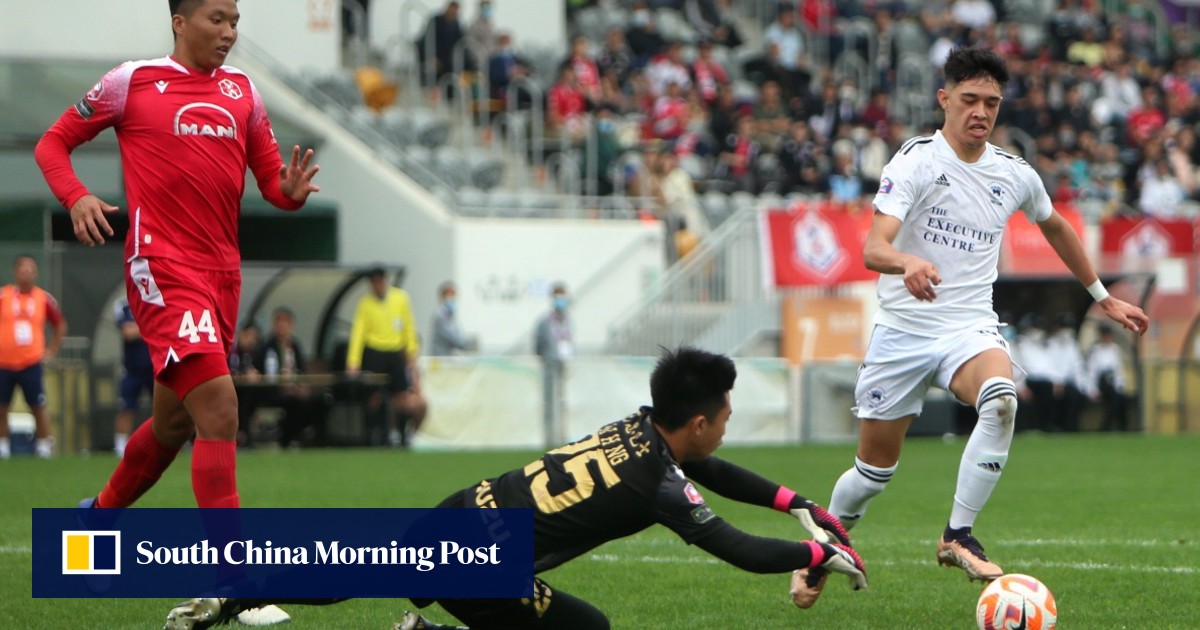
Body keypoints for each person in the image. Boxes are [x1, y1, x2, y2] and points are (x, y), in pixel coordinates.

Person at [163, 347, 868, 630]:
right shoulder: (657, 481)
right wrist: (816, 554)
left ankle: (232, 593)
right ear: (698, 421)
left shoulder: (639, 427)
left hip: (463, 509)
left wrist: (795, 503)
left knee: (359, 572)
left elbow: (706, 467)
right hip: (486, 568)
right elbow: (739, 549)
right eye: (725, 417)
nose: (727, 426)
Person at [822, 47, 1150, 590]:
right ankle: (824, 546)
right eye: (969, 99)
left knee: (1001, 399)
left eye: (991, 103)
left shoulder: (1014, 174)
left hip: (968, 329)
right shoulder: (915, 162)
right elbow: (873, 248)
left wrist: (1101, 295)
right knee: (872, 474)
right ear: (944, 99)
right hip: (903, 333)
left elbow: (1056, 226)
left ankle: (958, 535)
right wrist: (907, 262)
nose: (980, 112)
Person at [35, 1, 317, 623]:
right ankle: (234, 583)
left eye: (235, 20)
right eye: (217, 18)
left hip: (222, 277)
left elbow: (272, 183)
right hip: (162, 268)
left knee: (172, 426)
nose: (230, 32)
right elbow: (53, 143)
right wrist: (76, 196)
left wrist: (290, 194)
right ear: (179, 21)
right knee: (220, 410)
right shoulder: (131, 82)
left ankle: (91, 523)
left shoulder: (243, 92)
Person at [346, 267, 425, 447]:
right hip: (374, 351)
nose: (377, 285)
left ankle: (402, 433)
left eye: (379, 281)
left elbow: (408, 326)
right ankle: (372, 433)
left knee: (402, 396)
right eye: (373, 282)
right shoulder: (365, 303)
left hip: (394, 351)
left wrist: (411, 352)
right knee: (373, 396)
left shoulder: (401, 298)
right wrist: (353, 361)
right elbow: (358, 332)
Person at [0, 255, 67, 459]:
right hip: (4, 362)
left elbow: (60, 324)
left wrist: (51, 350)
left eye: (30, 270)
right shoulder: (4, 296)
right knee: (2, 407)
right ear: (15, 272)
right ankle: (3, 446)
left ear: (36, 274)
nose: (26, 274)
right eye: (23, 270)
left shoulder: (43, 298)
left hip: (31, 362)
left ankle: (44, 446)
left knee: (38, 406)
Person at [258, 307, 329, 448]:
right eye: (279, 322)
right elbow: (261, 370)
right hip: (273, 390)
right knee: (292, 402)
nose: (282, 325)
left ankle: (316, 440)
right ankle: (288, 439)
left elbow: (301, 370)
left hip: (294, 388)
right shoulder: (267, 346)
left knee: (322, 400)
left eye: (285, 322)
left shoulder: (295, 345)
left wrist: (302, 386)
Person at [113, 297, 154, 457]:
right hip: (131, 369)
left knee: (163, 409)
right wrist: (150, 328)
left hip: (155, 367)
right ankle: (120, 446)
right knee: (126, 408)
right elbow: (128, 332)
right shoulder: (124, 306)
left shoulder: (155, 301)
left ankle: (164, 445)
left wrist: (138, 329)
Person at [534, 283, 573, 448]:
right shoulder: (545, 322)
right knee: (549, 404)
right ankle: (549, 439)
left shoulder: (568, 321)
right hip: (549, 366)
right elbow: (538, 344)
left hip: (564, 366)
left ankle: (564, 436)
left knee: (564, 402)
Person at [1087, 324, 1131, 432]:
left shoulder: (1115, 350)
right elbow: (1092, 371)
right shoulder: (1096, 350)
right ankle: (1106, 426)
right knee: (1114, 397)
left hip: (1113, 382)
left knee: (1121, 398)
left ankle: (1122, 425)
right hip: (1102, 382)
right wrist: (1093, 390)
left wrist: (1121, 385)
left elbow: (1118, 369)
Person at [429, 281, 474, 356]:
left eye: (454, 294)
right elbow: (457, 340)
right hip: (440, 358)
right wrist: (469, 343)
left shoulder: (450, 315)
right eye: (449, 294)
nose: (452, 298)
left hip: (448, 358)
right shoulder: (440, 315)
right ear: (442, 296)